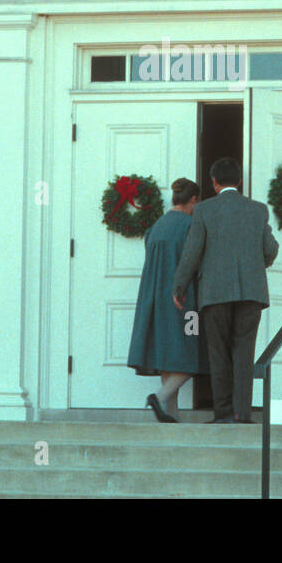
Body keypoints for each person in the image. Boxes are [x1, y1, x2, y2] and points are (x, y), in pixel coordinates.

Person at [172, 158, 279, 424]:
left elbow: (192, 252)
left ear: (214, 182)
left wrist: (180, 286)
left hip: (215, 293)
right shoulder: (258, 210)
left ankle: (222, 413)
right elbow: (271, 248)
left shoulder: (204, 210)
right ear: (239, 181)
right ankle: (242, 413)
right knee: (244, 354)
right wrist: (256, 266)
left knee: (218, 353)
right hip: (251, 293)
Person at [127, 178, 208, 423]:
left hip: (155, 300)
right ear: (194, 199)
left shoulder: (157, 226)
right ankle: (160, 397)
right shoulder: (191, 225)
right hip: (186, 302)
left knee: (167, 359)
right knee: (192, 354)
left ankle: (170, 417)